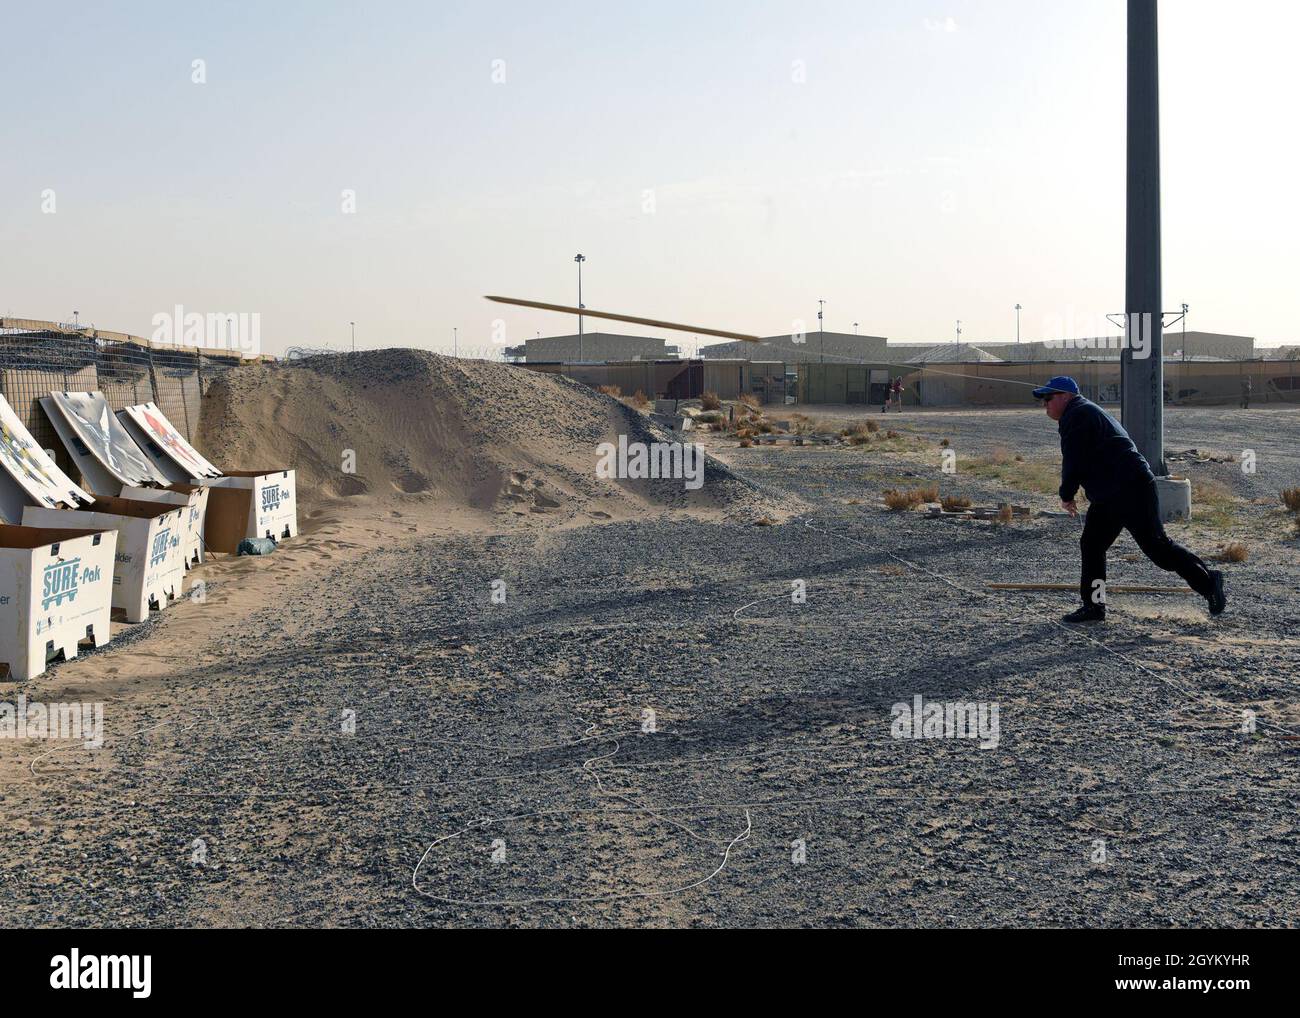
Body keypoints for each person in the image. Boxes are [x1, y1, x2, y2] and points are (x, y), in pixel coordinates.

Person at [1032, 375, 1226, 623]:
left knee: (1158, 548)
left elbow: (1074, 460)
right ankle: (1094, 606)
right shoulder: (1081, 412)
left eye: (1048, 399)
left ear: (1065, 397)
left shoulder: (1077, 415)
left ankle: (1209, 582)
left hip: (1130, 488)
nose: (1045, 405)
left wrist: (1066, 495)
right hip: (1110, 493)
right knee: (1092, 545)